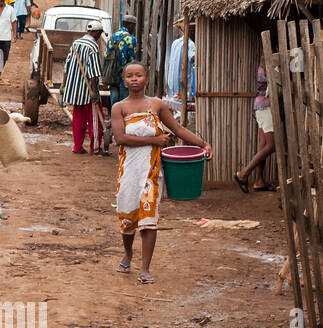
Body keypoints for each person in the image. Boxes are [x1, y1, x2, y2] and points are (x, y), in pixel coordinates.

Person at [112, 62, 212, 284]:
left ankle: (145, 268)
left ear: (147, 79)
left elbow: (178, 130)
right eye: (130, 76)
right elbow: (120, 138)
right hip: (128, 171)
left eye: (139, 75)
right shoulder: (119, 107)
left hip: (152, 172)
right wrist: (154, 140)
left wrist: (203, 144)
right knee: (127, 218)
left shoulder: (157, 105)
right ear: (124, 80)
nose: (134, 79)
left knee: (149, 220)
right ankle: (128, 253)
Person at [62, 20, 106, 154]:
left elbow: (66, 66)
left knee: (78, 119)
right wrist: (94, 92)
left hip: (74, 89)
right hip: (87, 90)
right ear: (97, 32)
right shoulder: (93, 46)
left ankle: (77, 146)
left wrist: (64, 85)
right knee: (95, 120)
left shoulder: (76, 43)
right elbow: (93, 72)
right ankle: (96, 148)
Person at [234, 62, 276, 192]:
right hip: (265, 106)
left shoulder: (265, 63)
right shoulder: (273, 63)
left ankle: (259, 181)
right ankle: (243, 173)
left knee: (263, 145)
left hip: (259, 105)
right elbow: (274, 88)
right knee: (271, 145)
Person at [164, 19, 196, 119]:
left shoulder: (175, 43)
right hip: (183, 89)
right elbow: (194, 58)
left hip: (172, 87)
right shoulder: (190, 45)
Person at [106, 16, 138, 107]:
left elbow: (106, 55)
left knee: (114, 102)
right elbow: (132, 60)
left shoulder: (112, 38)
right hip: (125, 77)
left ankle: (114, 119)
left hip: (112, 75)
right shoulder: (131, 39)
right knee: (125, 102)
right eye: (134, 26)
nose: (134, 29)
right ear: (130, 25)